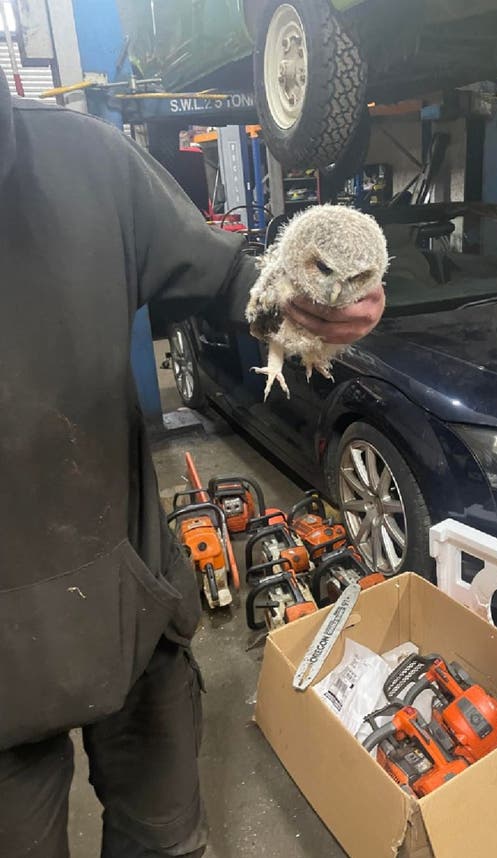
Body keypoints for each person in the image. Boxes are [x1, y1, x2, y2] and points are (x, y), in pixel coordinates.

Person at [0, 67, 384, 858]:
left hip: (130, 610)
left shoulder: (86, 163)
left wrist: (304, 298)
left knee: (165, 839)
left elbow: (231, 281)